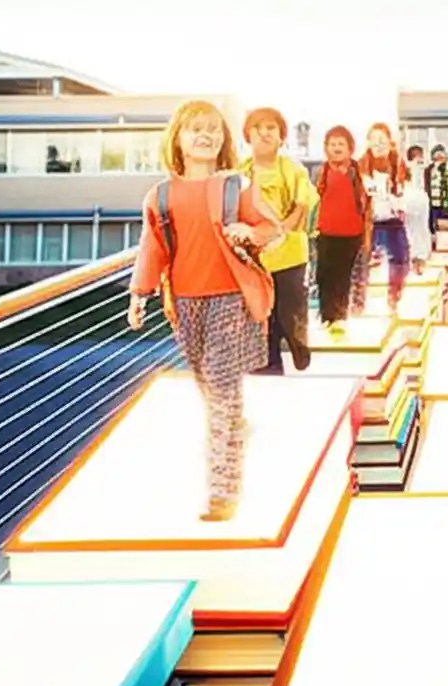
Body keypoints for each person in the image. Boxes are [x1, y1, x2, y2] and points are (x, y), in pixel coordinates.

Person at [126, 99, 282, 521]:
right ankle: (235, 430)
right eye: (196, 128)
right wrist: (139, 294)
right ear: (177, 139)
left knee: (220, 388)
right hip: (185, 303)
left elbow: (272, 228)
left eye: (214, 129)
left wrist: (249, 230)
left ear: (224, 141)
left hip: (230, 298)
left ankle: (222, 491)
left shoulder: (235, 187)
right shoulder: (160, 196)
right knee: (210, 387)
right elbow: (152, 249)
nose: (206, 135)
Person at [238, 107, 318, 372]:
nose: (264, 133)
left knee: (290, 313)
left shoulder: (292, 169)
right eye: (257, 128)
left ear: (282, 136)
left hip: (289, 256)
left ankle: (298, 342)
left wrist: (281, 231)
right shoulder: (241, 172)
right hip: (254, 260)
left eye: (271, 128)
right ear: (247, 135)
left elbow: (302, 205)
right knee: (262, 319)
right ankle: (269, 366)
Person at [313, 125, 370, 335]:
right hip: (326, 233)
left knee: (344, 278)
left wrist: (367, 234)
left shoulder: (359, 172)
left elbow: (367, 204)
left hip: (352, 234)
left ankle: (340, 317)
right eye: (332, 144)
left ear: (350, 148)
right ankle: (327, 317)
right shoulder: (321, 172)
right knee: (324, 276)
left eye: (341, 144)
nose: (337, 148)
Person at [352, 122, 409, 316]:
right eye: (375, 140)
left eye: (382, 140)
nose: (379, 144)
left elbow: (406, 190)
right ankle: (358, 303)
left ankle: (394, 298)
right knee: (362, 262)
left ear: (390, 142)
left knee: (401, 260)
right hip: (368, 221)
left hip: (393, 219)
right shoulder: (360, 166)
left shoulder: (398, 164)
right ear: (368, 142)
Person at [404, 144, 432, 275]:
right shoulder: (414, 166)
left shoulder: (410, 167)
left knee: (418, 228)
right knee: (416, 228)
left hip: (416, 199)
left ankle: (418, 259)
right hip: (413, 198)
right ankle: (417, 258)